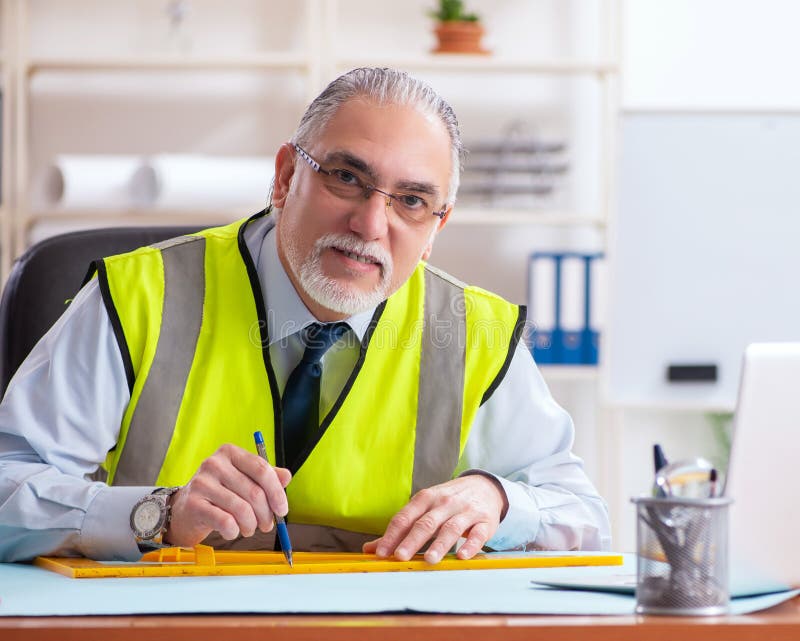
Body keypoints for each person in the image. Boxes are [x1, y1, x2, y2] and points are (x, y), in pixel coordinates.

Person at [0, 67, 610, 563]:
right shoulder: (140, 295)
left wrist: (497, 499)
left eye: (411, 200)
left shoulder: (475, 332)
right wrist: (158, 513)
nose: (370, 224)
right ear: (286, 176)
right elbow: (8, 488)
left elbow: (584, 516)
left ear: (436, 229)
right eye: (346, 178)